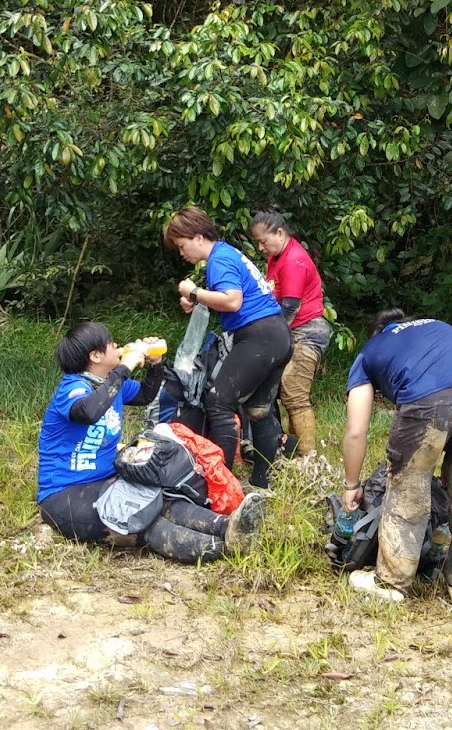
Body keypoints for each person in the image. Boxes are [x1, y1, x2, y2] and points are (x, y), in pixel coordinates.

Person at [37, 321, 265, 563]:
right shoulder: (72, 388)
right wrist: (124, 368)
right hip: (64, 494)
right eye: (111, 343)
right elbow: (87, 412)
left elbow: (146, 395)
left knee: (159, 496)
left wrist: (155, 365)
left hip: (105, 481)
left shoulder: (111, 384)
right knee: (139, 517)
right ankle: (225, 549)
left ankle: (228, 526)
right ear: (95, 355)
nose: (117, 345)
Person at [340, 309, 452, 607]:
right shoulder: (439, 326)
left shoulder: (370, 351)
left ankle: (392, 582)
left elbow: (356, 431)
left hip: (425, 401)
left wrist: (352, 485)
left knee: (408, 486)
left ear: (377, 332)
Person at [164, 206, 292, 489]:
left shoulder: (218, 259)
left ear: (198, 237)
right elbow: (231, 298)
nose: (181, 253)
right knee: (259, 410)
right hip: (278, 336)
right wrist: (198, 299)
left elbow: (233, 301)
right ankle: (261, 483)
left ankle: (220, 483)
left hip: (258, 337)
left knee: (218, 402)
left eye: (182, 245)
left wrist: (193, 292)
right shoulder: (227, 253)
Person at [250, 207, 332, 458]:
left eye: (263, 242)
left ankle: (308, 459)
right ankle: (295, 450)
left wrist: (268, 338)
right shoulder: (275, 257)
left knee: (294, 392)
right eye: (258, 243)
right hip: (292, 329)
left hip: (307, 330)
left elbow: (290, 309)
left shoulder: (293, 260)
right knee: (287, 392)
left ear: (279, 233)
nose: (260, 248)